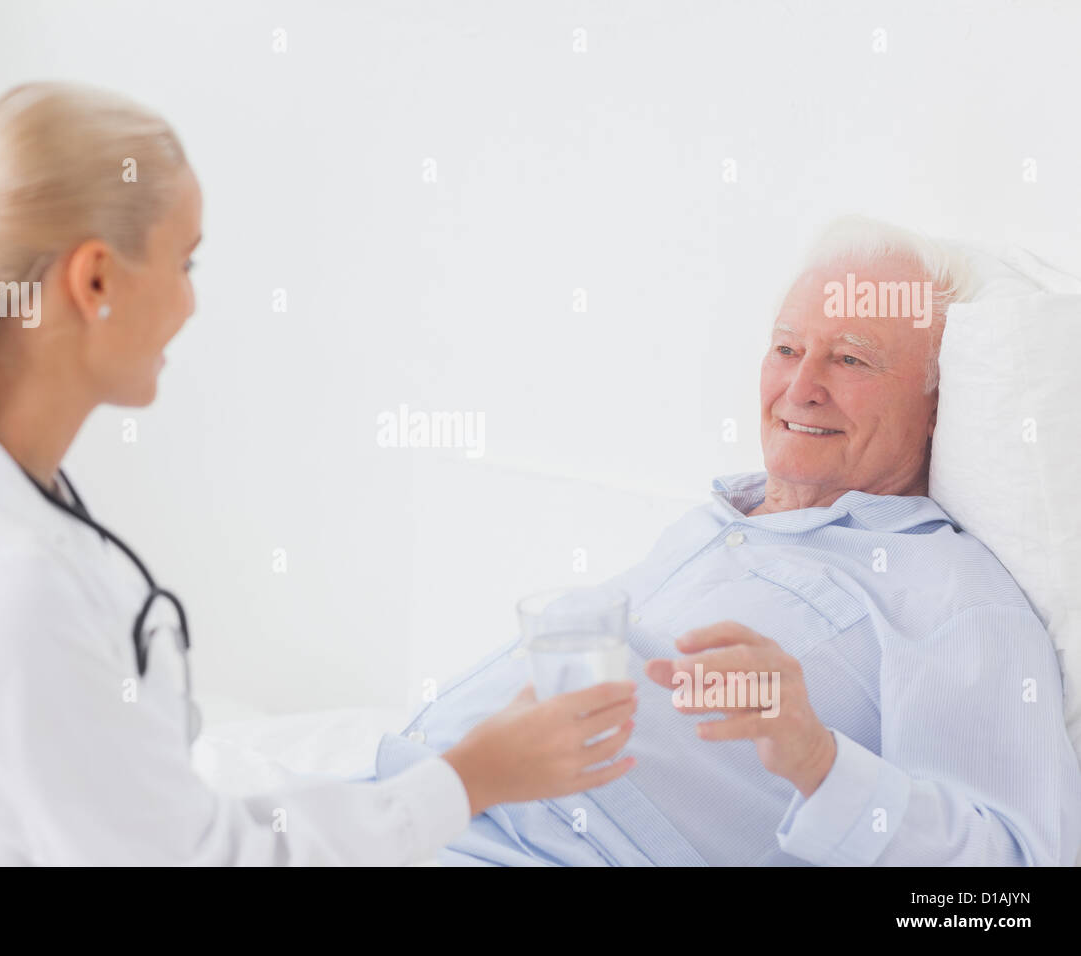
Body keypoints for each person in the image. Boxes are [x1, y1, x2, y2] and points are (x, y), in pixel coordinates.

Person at [0, 82, 637, 866]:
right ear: (96, 278)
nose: (191, 302)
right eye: (186, 261)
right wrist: (471, 778)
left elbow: (149, 819)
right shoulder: (3, 583)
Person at [370, 216, 1081, 866]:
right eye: (787, 348)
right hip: (397, 808)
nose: (801, 386)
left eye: (851, 360)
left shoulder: (947, 591)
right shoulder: (711, 526)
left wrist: (819, 761)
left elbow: (1005, 893)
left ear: (936, 405)